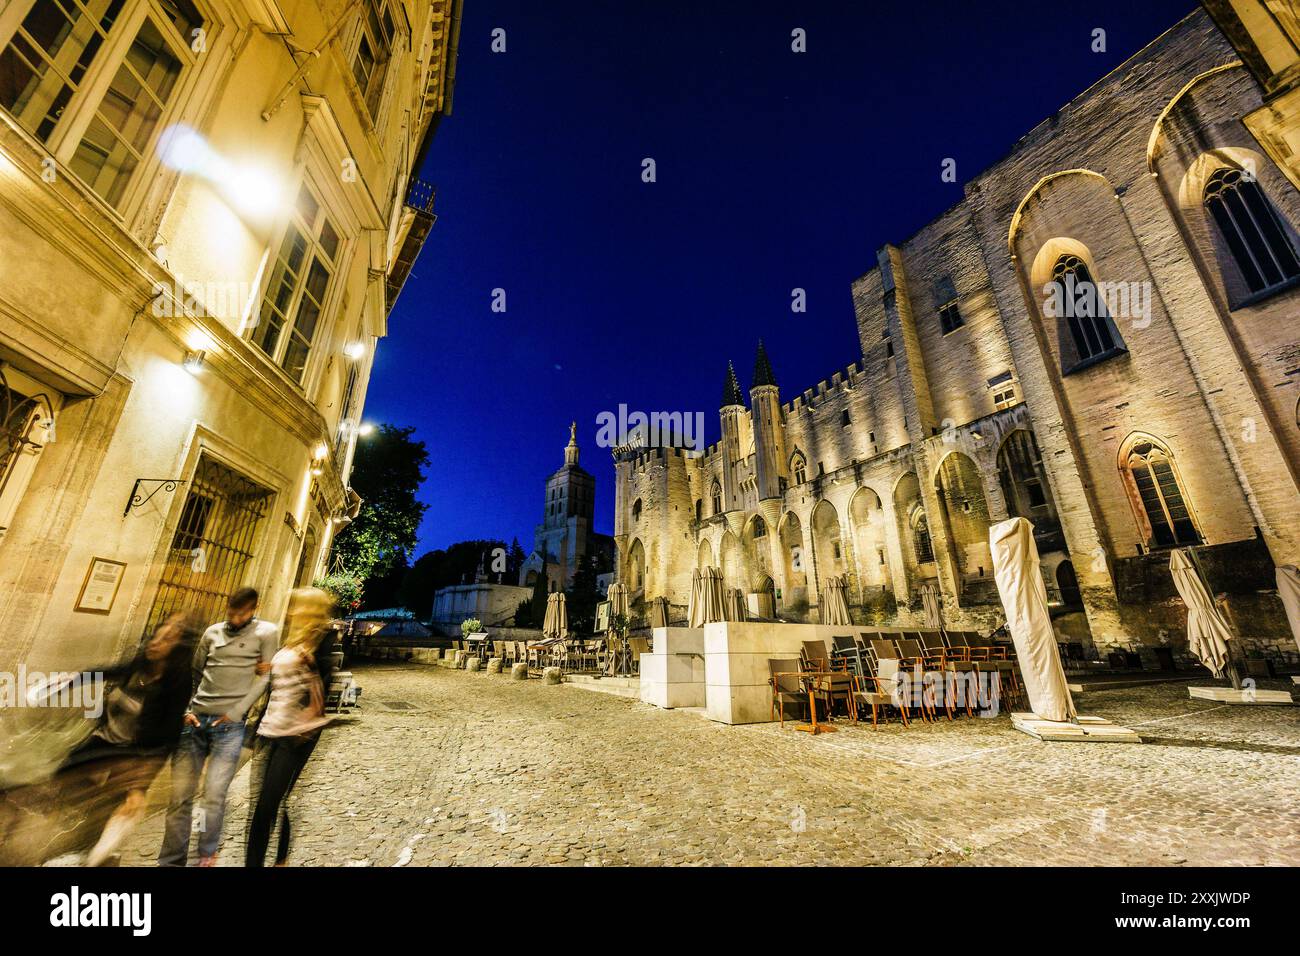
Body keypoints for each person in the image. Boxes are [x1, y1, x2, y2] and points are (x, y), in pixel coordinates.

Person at [0, 612, 200, 866]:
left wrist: (141, 787)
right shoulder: (140, 663)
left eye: (168, 638)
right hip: (104, 741)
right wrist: (69, 679)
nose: (156, 641)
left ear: (178, 649)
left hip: (133, 757)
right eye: (159, 632)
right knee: (58, 784)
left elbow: (169, 735)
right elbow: (106, 671)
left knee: (118, 812)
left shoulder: (178, 683)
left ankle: (98, 857)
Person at [158, 587, 279, 867]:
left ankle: (206, 853)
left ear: (253, 609)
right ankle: (170, 860)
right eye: (231, 613)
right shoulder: (212, 632)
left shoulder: (266, 632)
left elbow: (265, 677)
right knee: (179, 796)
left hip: (229, 727)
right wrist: (188, 708)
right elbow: (197, 671)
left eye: (242, 613)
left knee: (214, 794)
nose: (235, 619)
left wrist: (237, 712)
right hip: (196, 719)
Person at [244, 587, 335, 867]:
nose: (291, 610)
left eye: (297, 606)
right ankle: (280, 859)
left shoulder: (323, 640)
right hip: (270, 728)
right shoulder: (291, 637)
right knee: (269, 802)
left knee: (266, 806)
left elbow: (323, 686)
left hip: (296, 735)